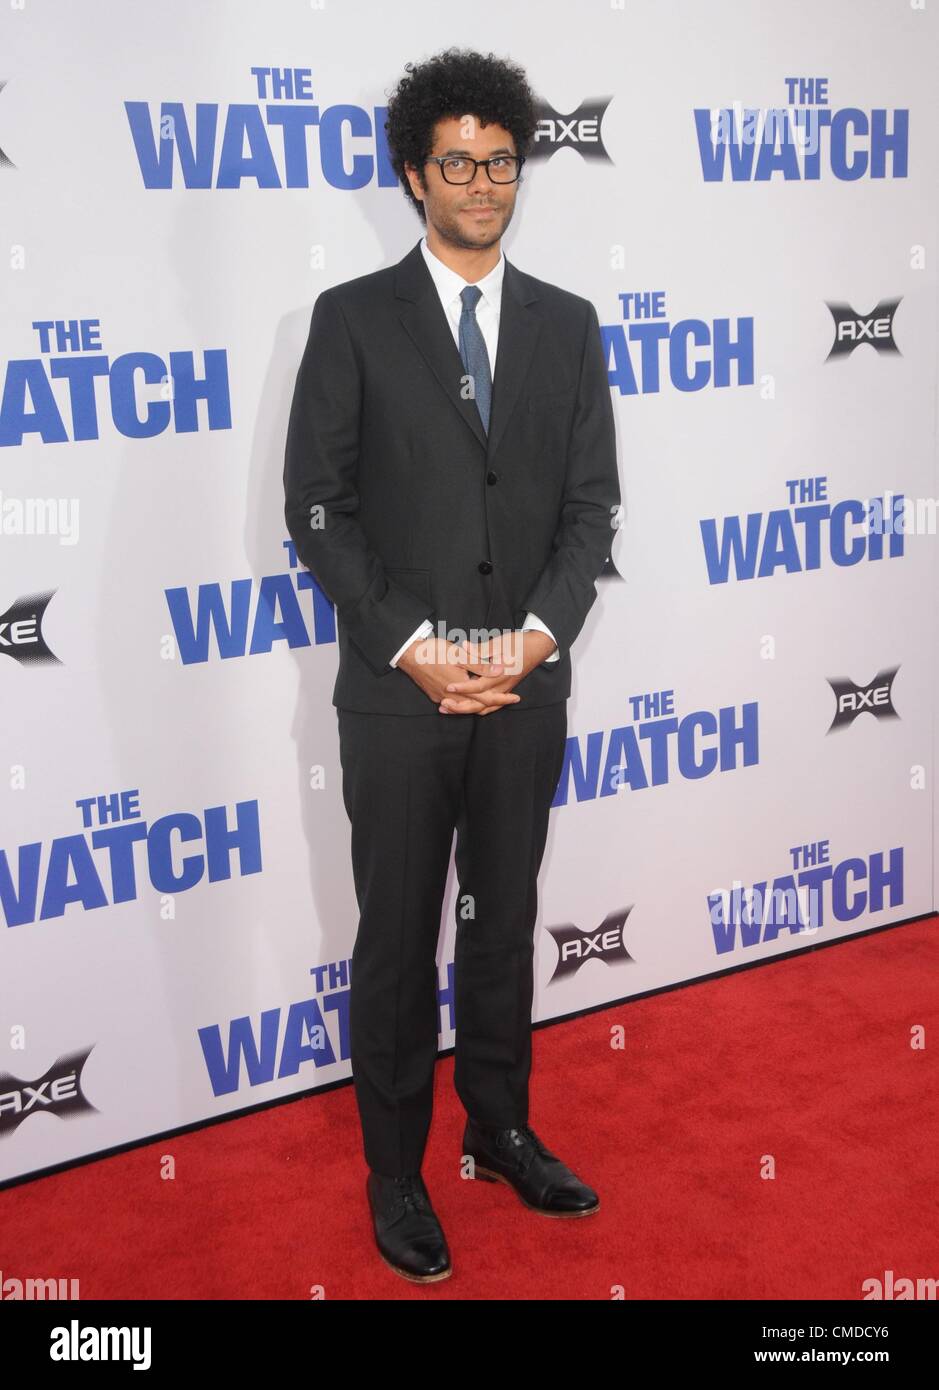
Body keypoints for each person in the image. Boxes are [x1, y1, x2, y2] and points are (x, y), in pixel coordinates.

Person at [283, 46, 620, 1284]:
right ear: (417, 173)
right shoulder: (351, 319)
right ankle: (396, 1170)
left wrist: (529, 643)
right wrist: (419, 651)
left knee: (502, 917)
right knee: (396, 933)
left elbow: (594, 513)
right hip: (399, 697)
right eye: (458, 162)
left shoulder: (569, 326)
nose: (485, 181)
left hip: (525, 689)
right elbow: (317, 507)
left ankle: (499, 1128)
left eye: (501, 159)